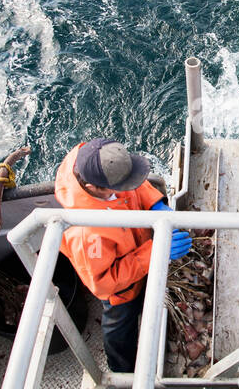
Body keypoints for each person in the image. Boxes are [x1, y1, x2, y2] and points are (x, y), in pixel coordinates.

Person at [55, 138, 191, 372]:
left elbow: (133, 182)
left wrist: (154, 204)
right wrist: (157, 251)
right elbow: (104, 284)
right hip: (122, 291)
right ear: (92, 188)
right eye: (121, 186)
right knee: (120, 327)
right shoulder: (87, 234)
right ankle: (122, 372)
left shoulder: (96, 161)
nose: (129, 185)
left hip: (139, 248)